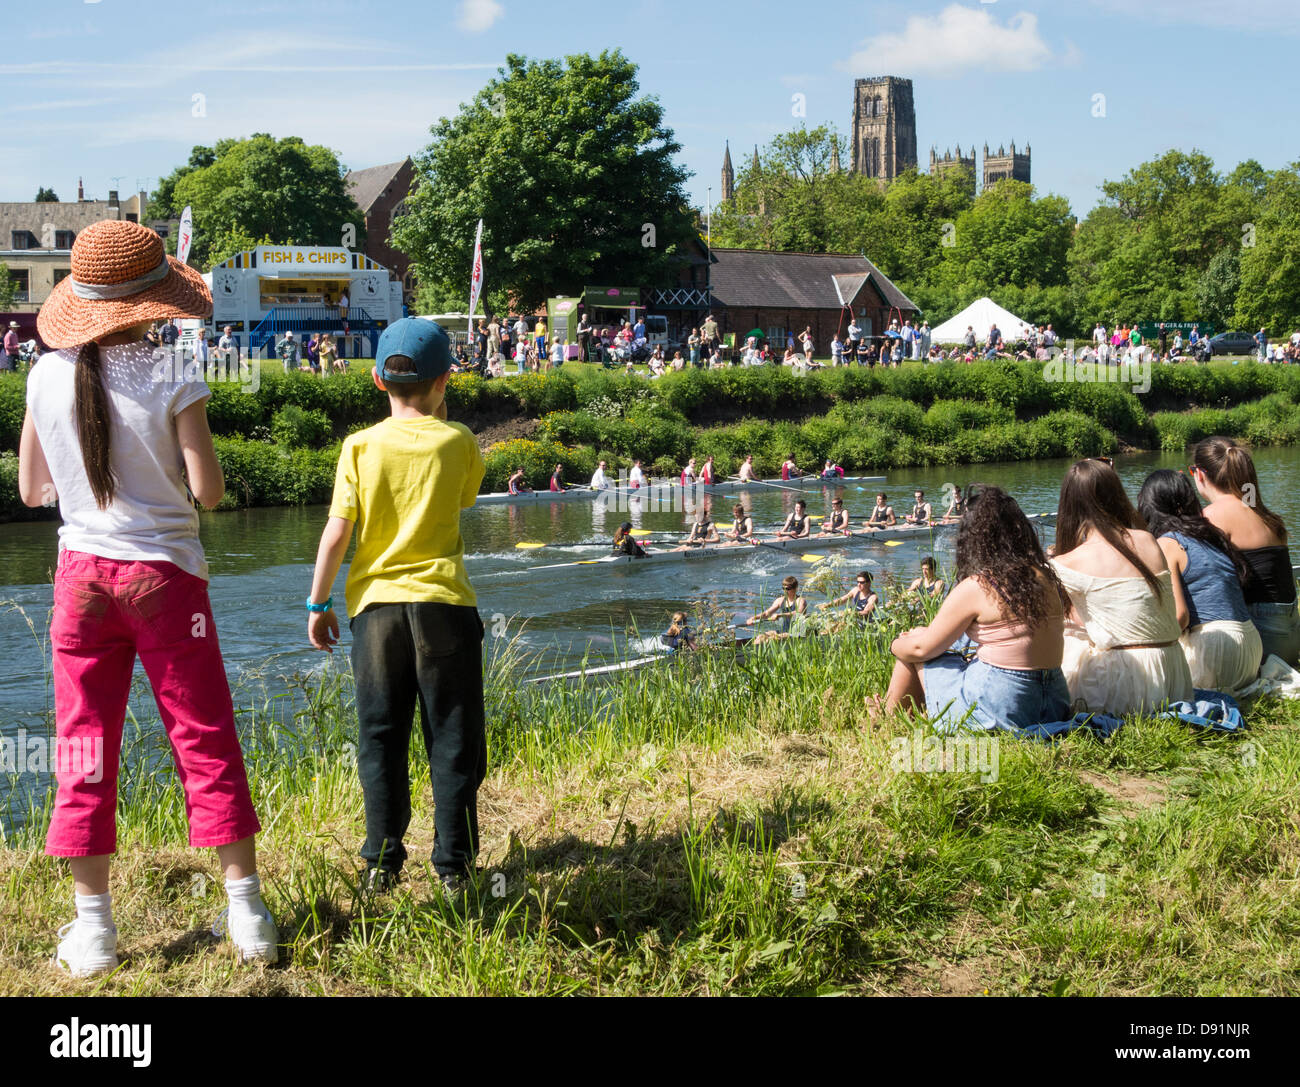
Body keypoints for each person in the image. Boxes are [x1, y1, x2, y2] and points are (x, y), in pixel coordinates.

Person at [19, 219, 275, 975]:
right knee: (203, 736)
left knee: (82, 746)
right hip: (167, 580)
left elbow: (34, 488)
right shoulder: (172, 374)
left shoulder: (41, 376)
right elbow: (210, 490)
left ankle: (94, 929)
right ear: (151, 301)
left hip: (80, 583)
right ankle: (248, 914)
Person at [307, 317, 486, 895]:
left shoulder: (357, 446)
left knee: (380, 735)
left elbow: (336, 533)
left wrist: (318, 602)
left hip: (376, 610)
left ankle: (382, 864)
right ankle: (454, 866)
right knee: (453, 736)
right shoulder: (458, 440)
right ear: (444, 381)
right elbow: (464, 498)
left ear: (379, 382)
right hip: (443, 603)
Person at [881, 486, 1072, 731]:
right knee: (921, 639)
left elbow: (921, 650)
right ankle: (895, 716)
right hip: (1054, 702)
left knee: (911, 647)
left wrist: (896, 643)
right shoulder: (1044, 577)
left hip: (1003, 704)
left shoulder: (979, 586)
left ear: (973, 538)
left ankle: (887, 721)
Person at [1049, 459, 1194, 715]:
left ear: (1069, 503)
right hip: (1173, 676)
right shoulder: (1149, 540)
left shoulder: (1066, 562)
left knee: (1069, 635)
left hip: (1125, 686)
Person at [1137, 469, 1262, 692]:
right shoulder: (1211, 535)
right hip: (1251, 648)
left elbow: (1181, 617)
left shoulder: (1167, 543)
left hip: (1217, 650)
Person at [1191, 436, 1300, 665]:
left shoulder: (1211, 517)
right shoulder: (1267, 516)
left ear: (1199, 474)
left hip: (1261, 644)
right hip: (1291, 639)